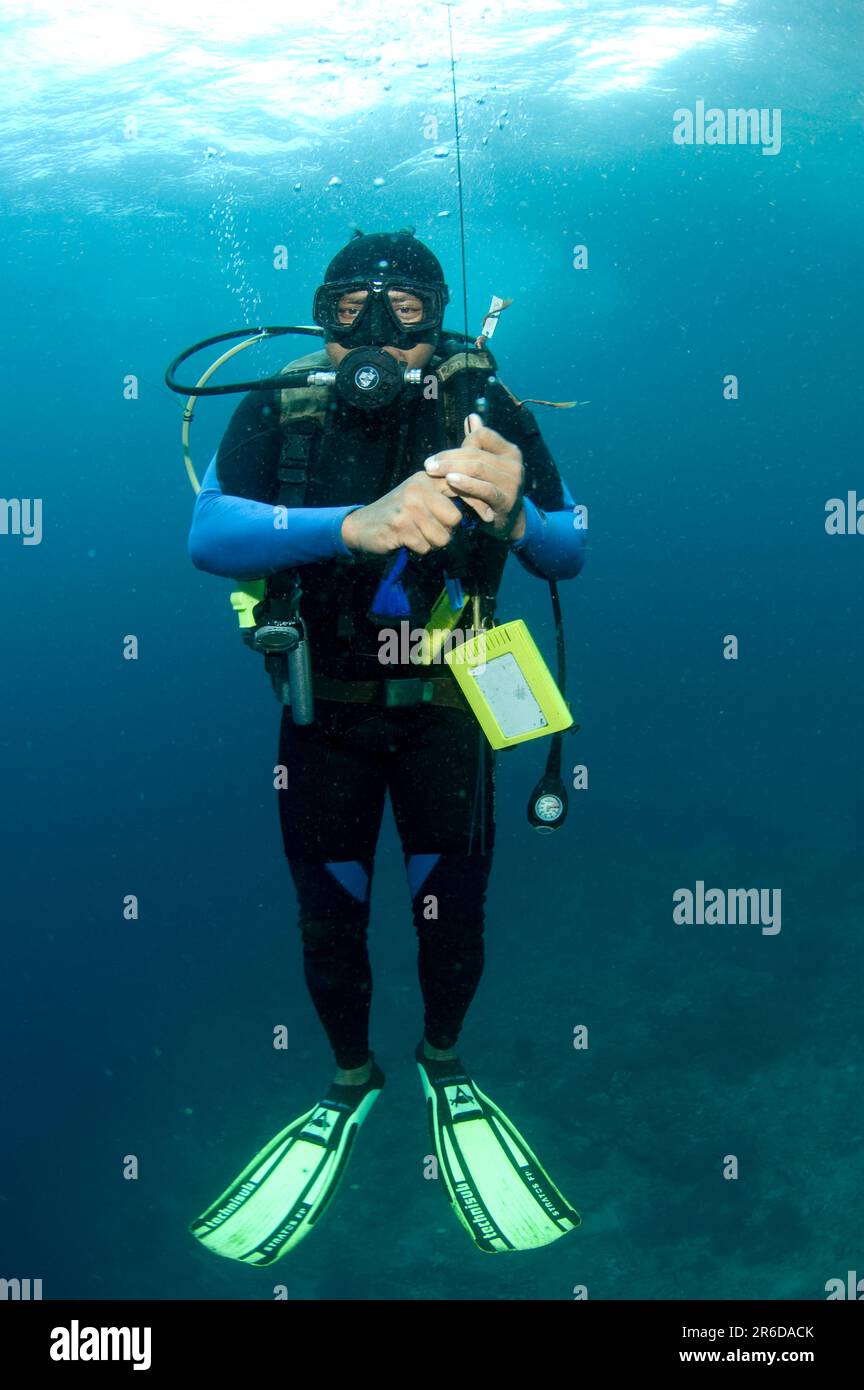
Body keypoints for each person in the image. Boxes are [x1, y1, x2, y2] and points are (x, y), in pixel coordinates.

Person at [187, 229, 585, 1263]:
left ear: (440, 313)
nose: (374, 331)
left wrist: (513, 516)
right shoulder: (280, 407)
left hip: (452, 706)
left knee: (451, 910)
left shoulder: (485, 411)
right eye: (348, 307)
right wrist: (349, 526)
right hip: (324, 714)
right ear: (320, 315)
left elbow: (571, 546)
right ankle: (351, 1077)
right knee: (331, 914)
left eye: (403, 309)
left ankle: (444, 1062)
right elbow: (209, 536)